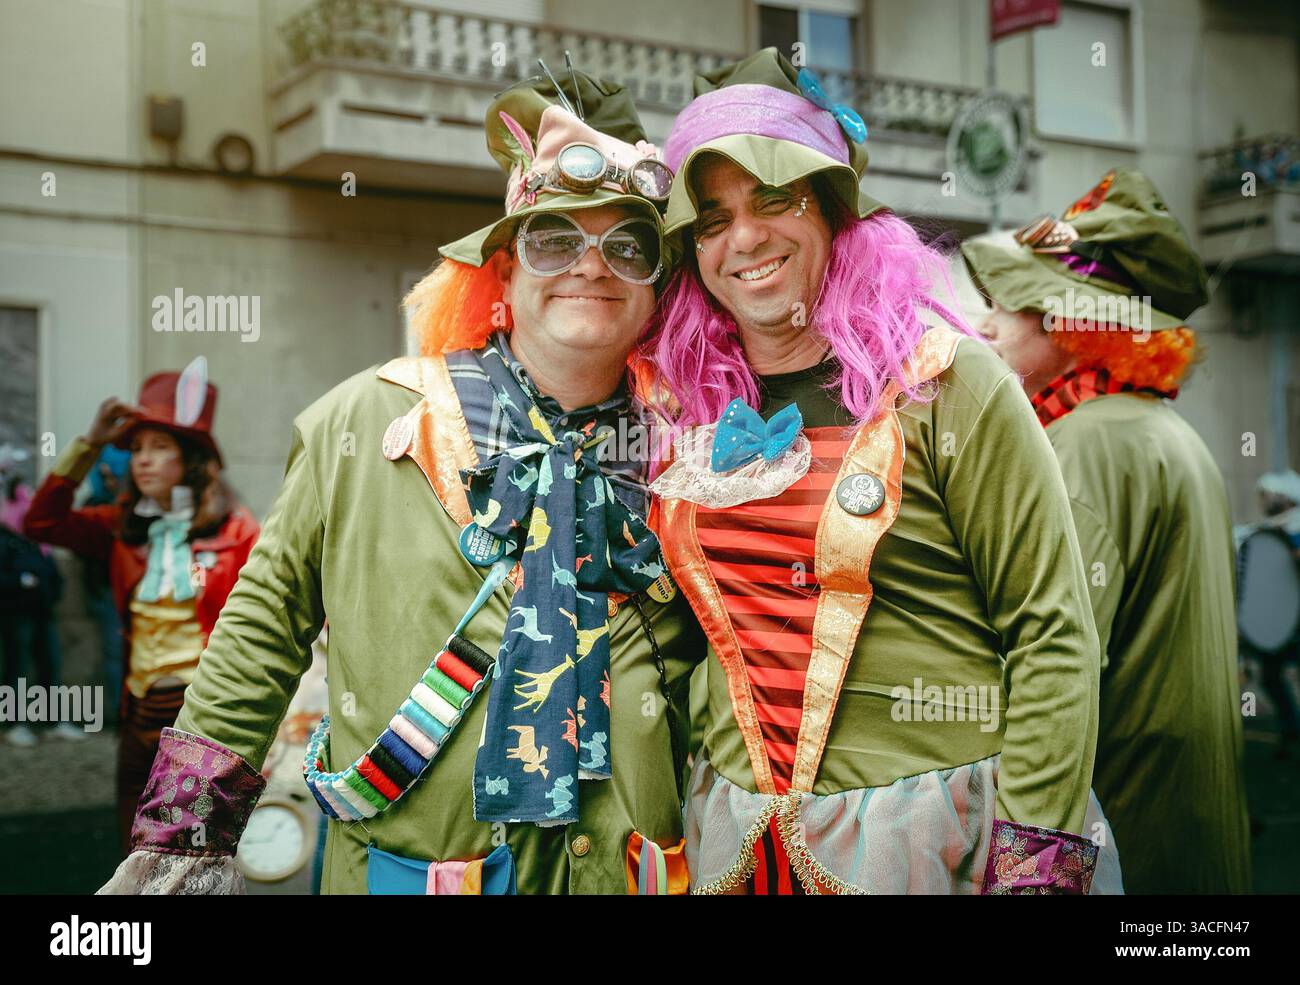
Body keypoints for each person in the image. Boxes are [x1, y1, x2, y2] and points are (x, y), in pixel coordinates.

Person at [99, 70, 703, 895]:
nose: (590, 267)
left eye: (628, 246)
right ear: (502, 268)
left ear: (656, 288)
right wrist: (183, 844)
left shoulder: (695, 457)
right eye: (554, 239)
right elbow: (263, 629)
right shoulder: (361, 421)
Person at [638, 48, 1117, 894]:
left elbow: (1052, 634)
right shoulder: (694, 413)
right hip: (743, 852)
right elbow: (675, 646)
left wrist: (1035, 867)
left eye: (774, 198)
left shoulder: (949, 382)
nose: (743, 238)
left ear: (830, 210)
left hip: (933, 846)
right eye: (711, 219)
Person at [962, 168, 1251, 893]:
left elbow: (1053, 676)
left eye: (1010, 304)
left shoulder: (1085, 442)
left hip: (1122, 837)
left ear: (1071, 321)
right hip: (1191, 835)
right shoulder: (1160, 426)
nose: (984, 324)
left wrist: (1025, 878)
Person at [23, 357, 259, 854]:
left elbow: (263, 632)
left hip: (199, 716)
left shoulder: (236, 531)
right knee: (131, 849)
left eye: (159, 447)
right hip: (134, 714)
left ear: (190, 459)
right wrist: (88, 444)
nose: (142, 460)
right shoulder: (120, 526)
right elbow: (40, 523)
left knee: (186, 857)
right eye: (136, 450)